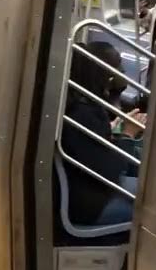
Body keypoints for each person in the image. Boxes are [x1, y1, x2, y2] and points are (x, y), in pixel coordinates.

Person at [60, 41, 146, 226]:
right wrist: (128, 134)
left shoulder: (80, 105)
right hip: (91, 204)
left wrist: (114, 128)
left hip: (90, 191)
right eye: (117, 66)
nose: (122, 72)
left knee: (152, 189)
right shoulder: (82, 114)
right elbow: (109, 172)